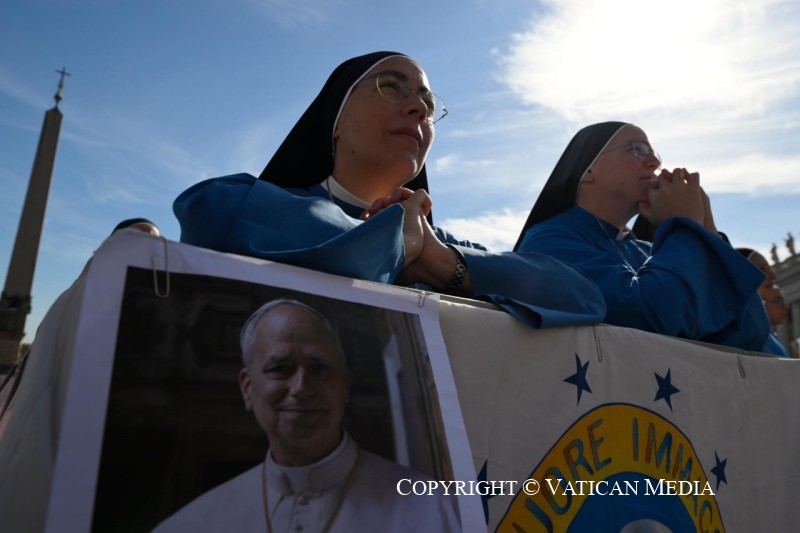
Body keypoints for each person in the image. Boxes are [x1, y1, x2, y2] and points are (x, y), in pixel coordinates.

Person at [173, 51, 606, 329]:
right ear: (335, 121)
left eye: (427, 103)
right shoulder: (249, 207)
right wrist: (394, 240)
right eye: (390, 86)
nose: (418, 108)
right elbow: (207, 210)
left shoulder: (436, 245)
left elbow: (584, 297)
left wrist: (445, 262)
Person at [153, 299, 461, 532]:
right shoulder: (190, 525)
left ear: (345, 387)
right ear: (248, 388)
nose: (301, 387)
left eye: (319, 368)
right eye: (281, 368)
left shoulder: (438, 510)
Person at [514, 121, 771, 353]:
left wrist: (707, 232)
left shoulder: (650, 252)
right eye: (636, 150)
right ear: (589, 169)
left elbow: (749, 337)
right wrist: (682, 225)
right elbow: (649, 319)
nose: (655, 163)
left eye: (653, 153)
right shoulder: (549, 241)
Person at [762, 284, 789, 356]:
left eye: (784, 301)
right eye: (776, 301)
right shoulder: (760, 340)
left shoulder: (772, 338)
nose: (785, 307)